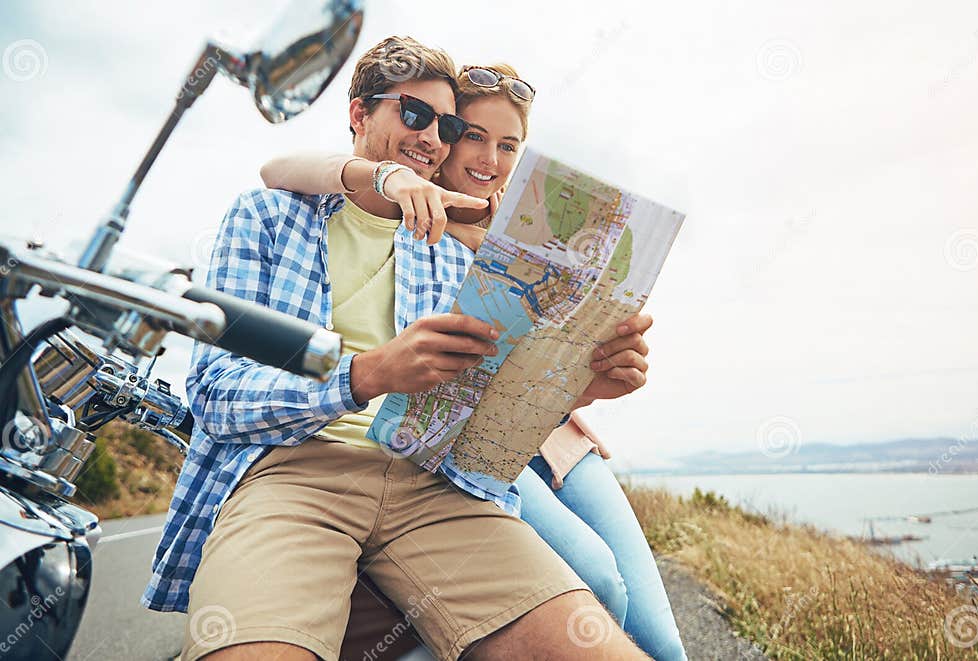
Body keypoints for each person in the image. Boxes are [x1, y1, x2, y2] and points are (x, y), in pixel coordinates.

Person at [143, 36, 655, 661]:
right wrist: (367, 374)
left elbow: (473, 404)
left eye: (445, 125)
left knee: (602, 634)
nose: (432, 138)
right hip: (292, 471)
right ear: (358, 114)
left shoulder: (451, 245)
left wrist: (583, 384)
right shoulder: (269, 215)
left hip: (432, 480)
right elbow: (216, 395)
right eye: (414, 115)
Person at [261, 61, 686, 660]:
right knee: (600, 584)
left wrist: (604, 367)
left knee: (663, 639)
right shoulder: (410, 218)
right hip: (462, 440)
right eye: (474, 137)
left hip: (554, 432)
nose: (490, 158)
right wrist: (387, 176)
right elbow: (279, 168)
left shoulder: (523, 231)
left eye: (508, 145)